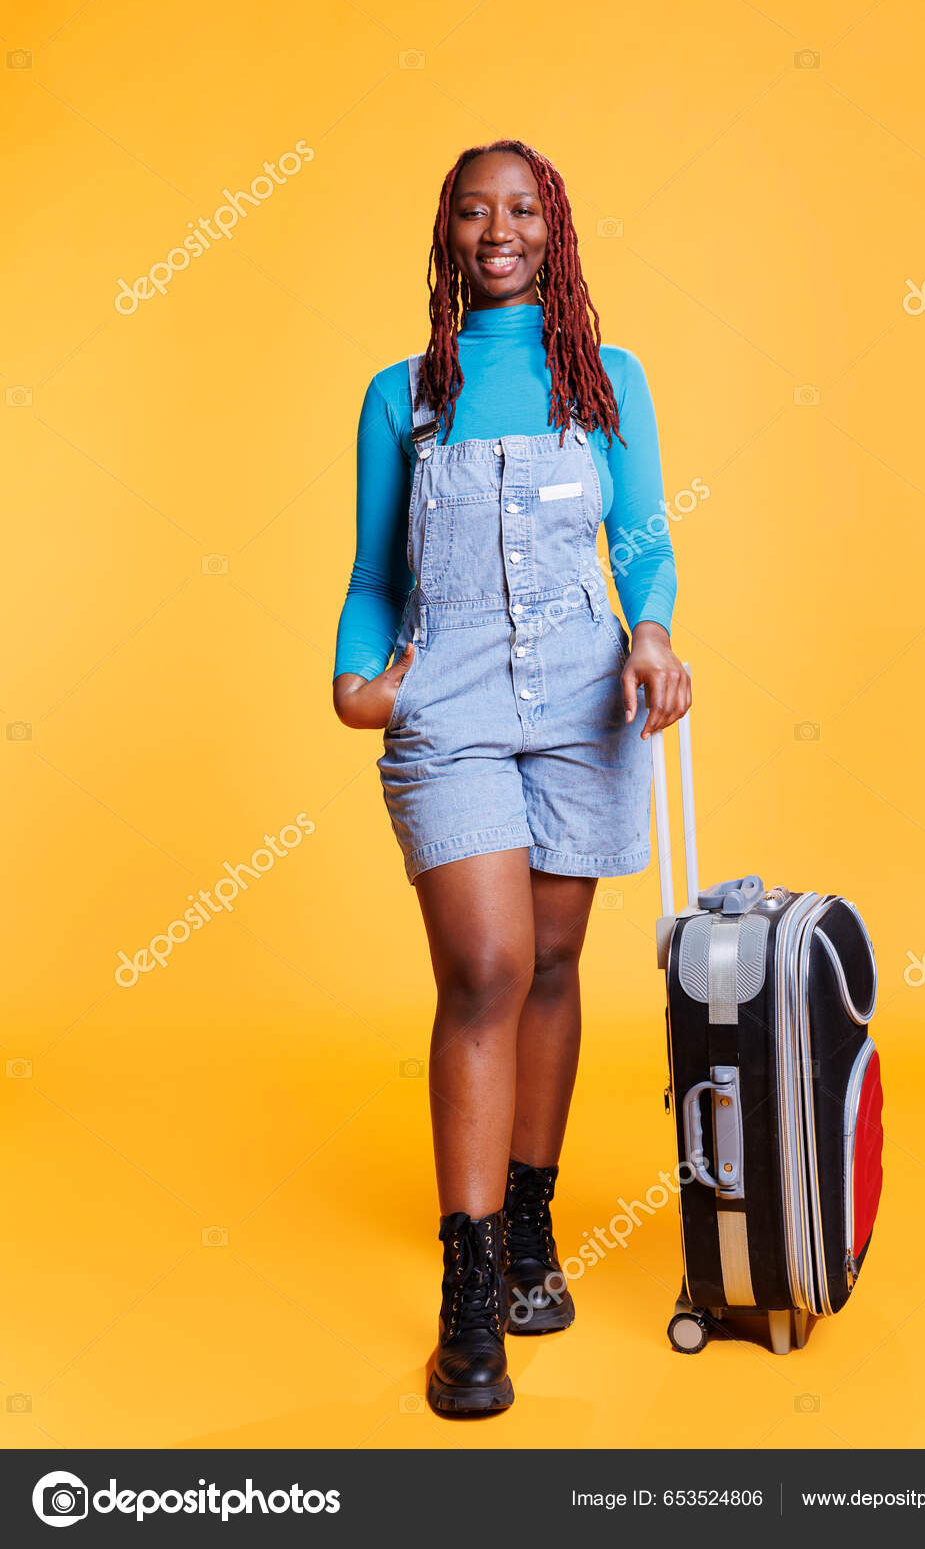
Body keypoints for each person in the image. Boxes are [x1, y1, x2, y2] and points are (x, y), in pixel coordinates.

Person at [332, 138, 689, 1416]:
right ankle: (468, 1293)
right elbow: (377, 573)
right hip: (454, 700)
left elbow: (638, 539)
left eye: (521, 210)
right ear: (447, 234)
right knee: (480, 966)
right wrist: (355, 675)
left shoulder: (605, 378)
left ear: (554, 229)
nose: (499, 231)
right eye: (475, 212)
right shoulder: (402, 395)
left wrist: (650, 634)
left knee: (547, 961)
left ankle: (531, 1221)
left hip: (587, 693)